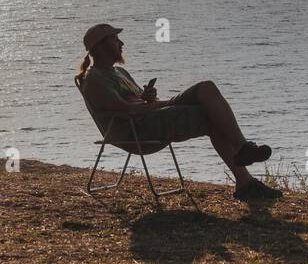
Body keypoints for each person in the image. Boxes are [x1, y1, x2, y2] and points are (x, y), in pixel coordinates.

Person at [75, 23, 282, 201]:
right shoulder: (96, 80)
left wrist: (147, 96)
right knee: (211, 112)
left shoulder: (118, 72)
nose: (121, 43)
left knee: (207, 90)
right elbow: (127, 110)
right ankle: (244, 172)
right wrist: (147, 103)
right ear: (101, 46)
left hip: (150, 118)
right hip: (137, 131)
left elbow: (136, 101)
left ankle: (244, 159)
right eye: (115, 39)